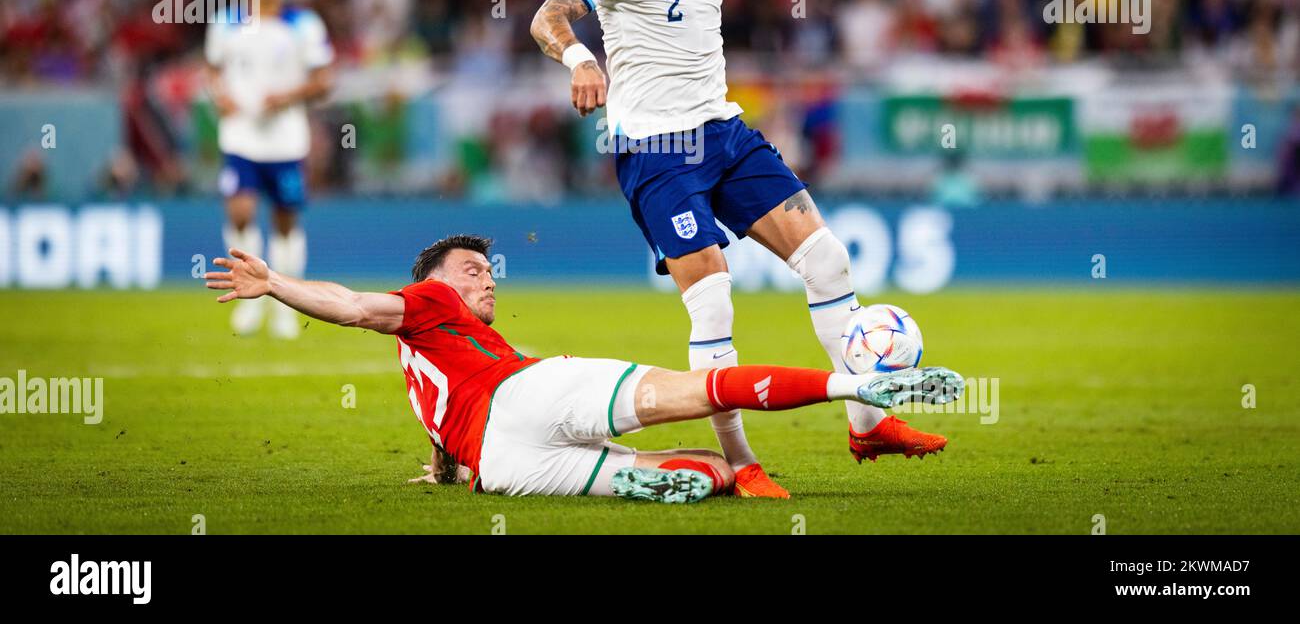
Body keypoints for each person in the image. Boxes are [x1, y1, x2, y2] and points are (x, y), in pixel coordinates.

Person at [529, 0, 942, 496]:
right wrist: (579, 60)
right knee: (714, 301)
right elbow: (548, 15)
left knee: (828, 259)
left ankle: (867, 422)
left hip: (724, 135)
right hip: (659, 154)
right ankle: (741, 464)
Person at [203, 234, 964, 503]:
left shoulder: (428, 352)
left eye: (487, 271)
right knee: (695, 391)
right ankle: (854, 385)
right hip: (527, 392)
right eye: (473, 270)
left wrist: (439, 472)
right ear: (437, 278)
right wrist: (277, 285)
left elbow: (441, 422)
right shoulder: (430, 299)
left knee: (707, 475)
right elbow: (353, 304)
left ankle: (659, 474)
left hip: (499, 464)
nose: (485, 279)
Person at [205, 0, 334, 338]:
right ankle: (251, 303)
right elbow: (212, 69)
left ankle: (286, 305)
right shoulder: (226, 22)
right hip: (241, 135)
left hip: (285, 140)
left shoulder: (303, 25)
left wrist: (287, 96)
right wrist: (219, 95)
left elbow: (324, 80)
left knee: (284, 221)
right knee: (241, 211)